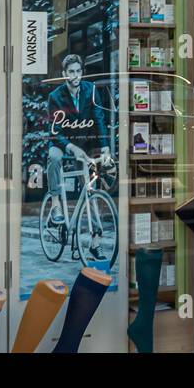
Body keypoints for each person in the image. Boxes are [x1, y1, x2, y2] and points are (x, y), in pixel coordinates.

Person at [43, 54, 112, 254]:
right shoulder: (55, 96)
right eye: (71, 72)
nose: (75, 75)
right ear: (64, 74)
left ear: (82, 72)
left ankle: (95, 242)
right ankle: (55, 203)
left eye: (78, 71)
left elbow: (98, 118)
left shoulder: (90, 90)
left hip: (85, 143)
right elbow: (54, 132)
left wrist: (105, 146)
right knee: (54, 157)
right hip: (62, 142)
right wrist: (71, 148)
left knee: (89, 188)